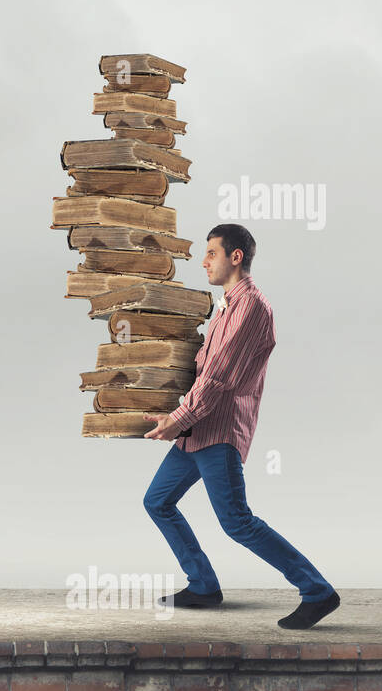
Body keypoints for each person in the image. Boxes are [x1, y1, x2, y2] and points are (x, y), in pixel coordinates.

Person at [141, 224, 339, 629]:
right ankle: (203, 586)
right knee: (157, 501)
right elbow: (203, 370)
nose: (204, 260)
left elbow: (219, 379)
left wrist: (176, 419)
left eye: (211, 252)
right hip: (196, 431)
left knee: (237, 521)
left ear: (236, 257)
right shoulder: (226, 306)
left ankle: (317, 591)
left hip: (219, 434)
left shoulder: (251, 308)